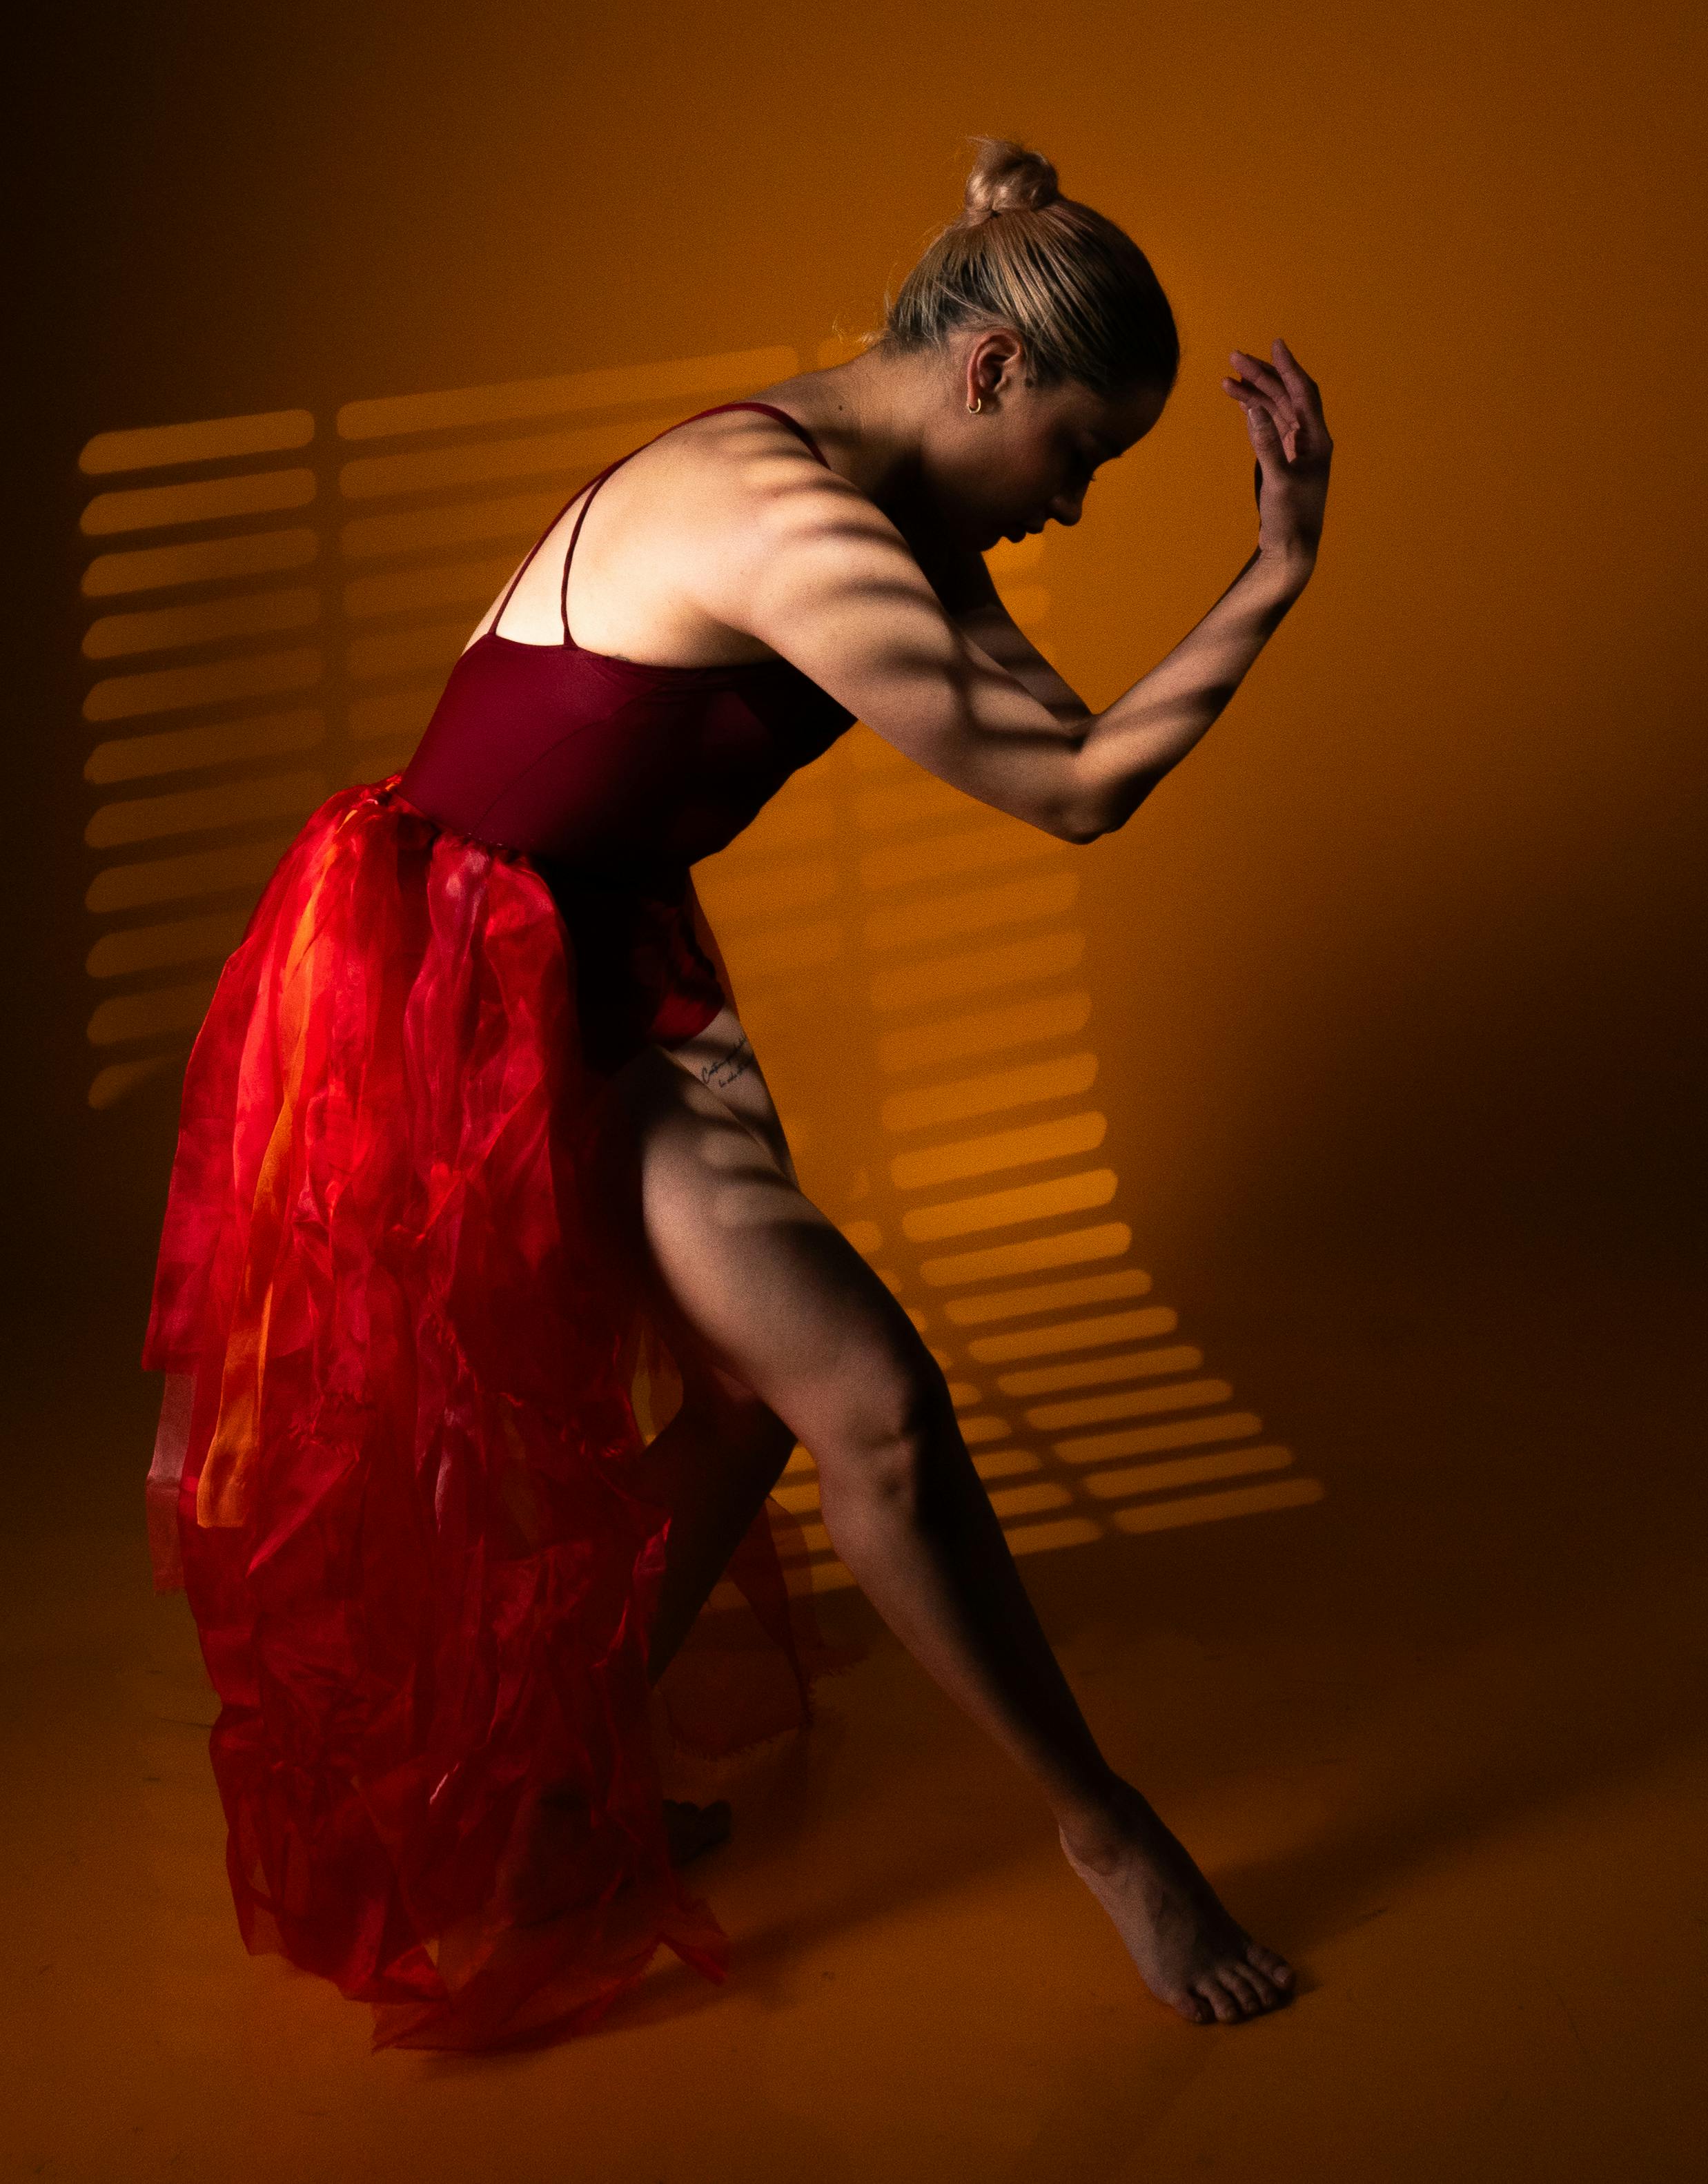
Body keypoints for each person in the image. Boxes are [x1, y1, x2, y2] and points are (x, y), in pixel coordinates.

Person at [142, 135, 1333, 2051]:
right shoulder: (792, 525)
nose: (1073, 512)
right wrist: (1272, 573)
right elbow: (1081, 788)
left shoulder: (882, 488)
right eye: (1079, 459)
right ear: (991, 377)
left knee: (766, 1404)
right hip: (462, 977)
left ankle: (564, 1784)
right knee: (865, 1401)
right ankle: (1108, 1838)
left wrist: (1183, 576)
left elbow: (1042, 723)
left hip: (593, 940)